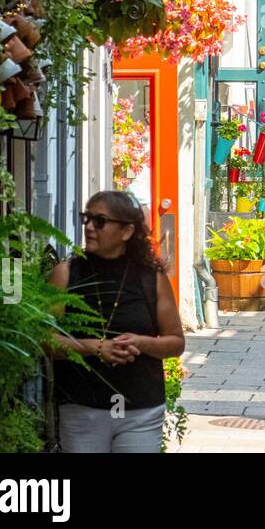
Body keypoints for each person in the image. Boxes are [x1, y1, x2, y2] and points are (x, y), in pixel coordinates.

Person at [49, 191, 185, 453]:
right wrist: (96, 348)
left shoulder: (151, 278)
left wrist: (142, 343)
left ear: (126, 232)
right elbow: (43, 339)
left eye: (99, 221)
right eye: (86, 218)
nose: (89, 227)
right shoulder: (65, 274)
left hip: (140, 409)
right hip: (81, 406)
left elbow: (176, 342)